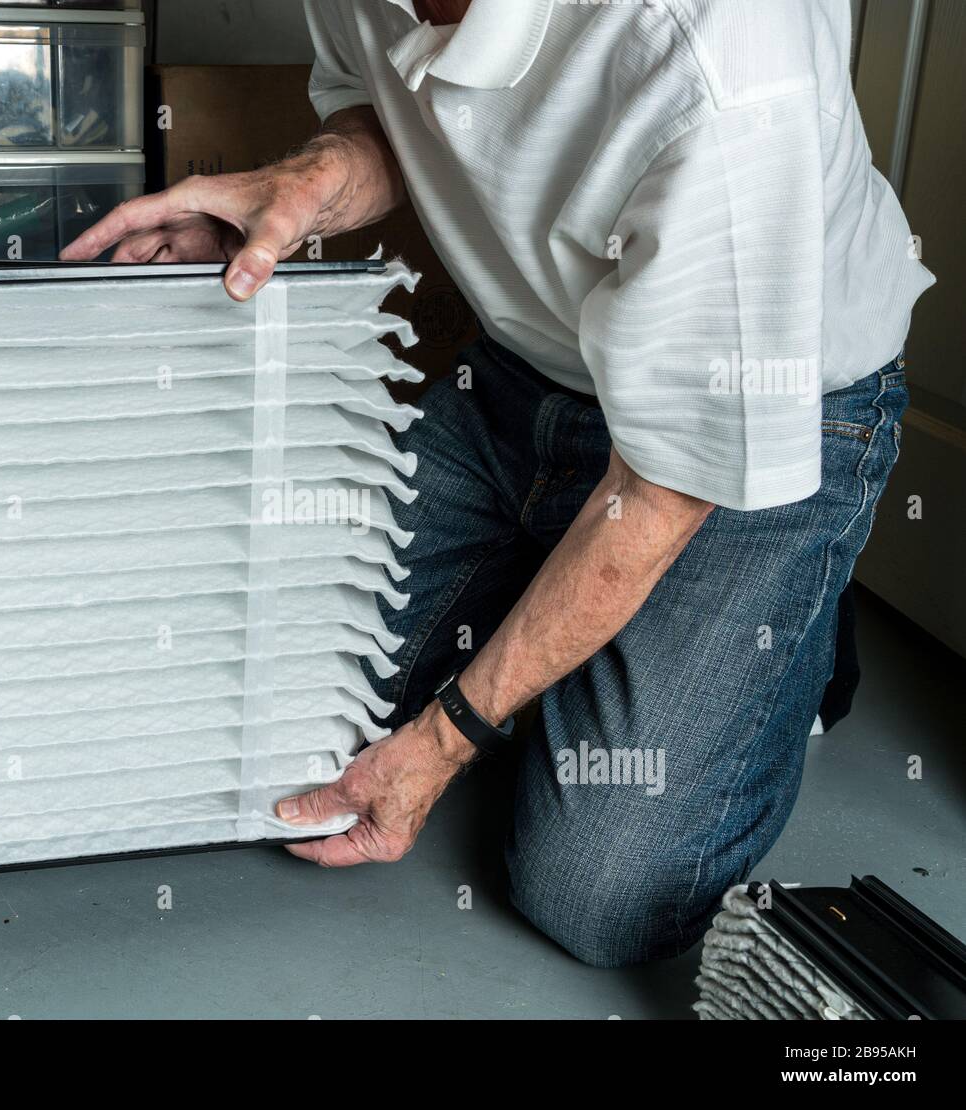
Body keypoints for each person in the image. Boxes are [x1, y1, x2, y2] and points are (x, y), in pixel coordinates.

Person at [61, 0, 933, 966]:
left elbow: (662, 491)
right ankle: (568, 587)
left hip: (756, 415)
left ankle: (792, 617)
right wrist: (304, 185)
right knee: (276, 720)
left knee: (598, 892)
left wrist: (448, 738)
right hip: (524, 379)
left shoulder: (717, 52)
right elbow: (398, 111)